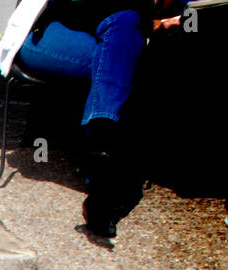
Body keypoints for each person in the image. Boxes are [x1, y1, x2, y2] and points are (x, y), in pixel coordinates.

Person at [10, 2, 180, 238]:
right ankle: (104, 166)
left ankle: (102, 157)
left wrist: (170, 16)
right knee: (122, 59)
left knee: (125, 25)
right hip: (49, 33)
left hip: (119, 35)